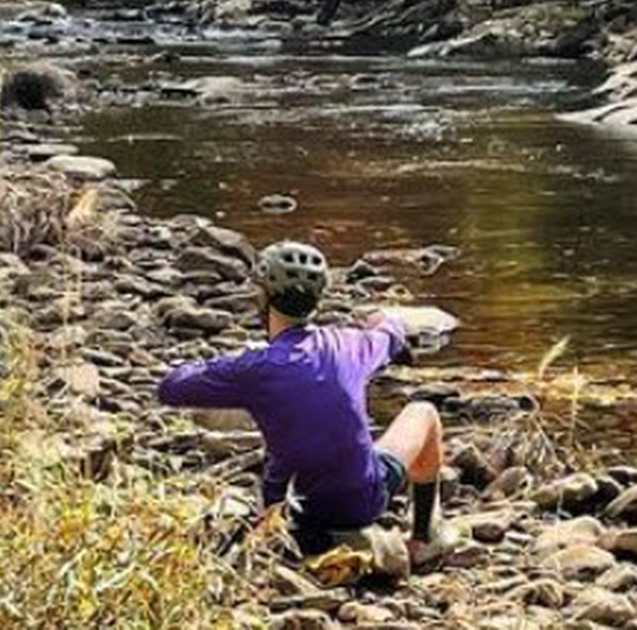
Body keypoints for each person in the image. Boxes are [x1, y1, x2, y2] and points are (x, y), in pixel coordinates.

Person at [156, 239, 459, 565]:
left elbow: (172, 388)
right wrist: (380, 318)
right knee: (423, 412)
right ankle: (426, 537)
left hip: (289, 513)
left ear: (263, 297)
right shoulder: (349, 346)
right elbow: (393, 333)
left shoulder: (255, 367)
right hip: (361, 504)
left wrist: (223, 366)